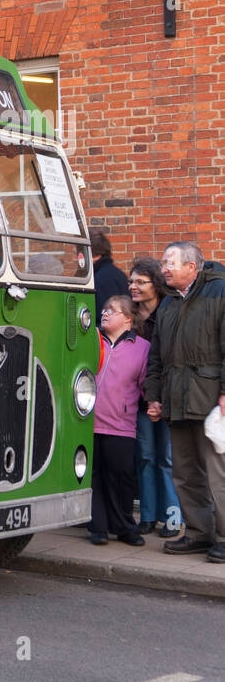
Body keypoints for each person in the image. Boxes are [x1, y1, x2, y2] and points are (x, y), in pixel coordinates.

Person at [144, 241, 225, 562]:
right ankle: (198, 533)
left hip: (211, 403)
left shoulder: (219, 294)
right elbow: (156, 357)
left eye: (169, 263)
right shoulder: (168, 304)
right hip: (176, 401)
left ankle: (223, 535)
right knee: (186, 473)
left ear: (192, 267)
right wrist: (154, 396)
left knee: (218, 475)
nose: (163, 268)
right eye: (164, 263)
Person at [89, 295, 150, 546]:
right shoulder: (91, 340)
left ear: (127, 318)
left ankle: (124, 527)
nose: (104, 313)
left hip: (121, 425)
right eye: (104, 310)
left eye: (112, 310)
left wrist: (156, 402)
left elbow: (146, 383)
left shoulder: (142, 347)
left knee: (121, 477)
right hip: (88, 422)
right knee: (94, 476)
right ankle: (98, 527)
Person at [128, 257, 181, 536]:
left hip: (169, 397)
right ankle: (147, 516)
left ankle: (172, 517)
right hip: (141, 400)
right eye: (131, 281)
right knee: (146, 457)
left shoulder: (172, 310)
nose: (133, 287)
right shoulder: (131, 316)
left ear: (155, 284)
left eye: (139, 282)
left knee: (168, 460)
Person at [91, 229, 129, 314]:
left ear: (95, 255)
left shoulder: (102, 279)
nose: (74, 259)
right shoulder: (115, 273)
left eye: (77, 254)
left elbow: (104, 316)